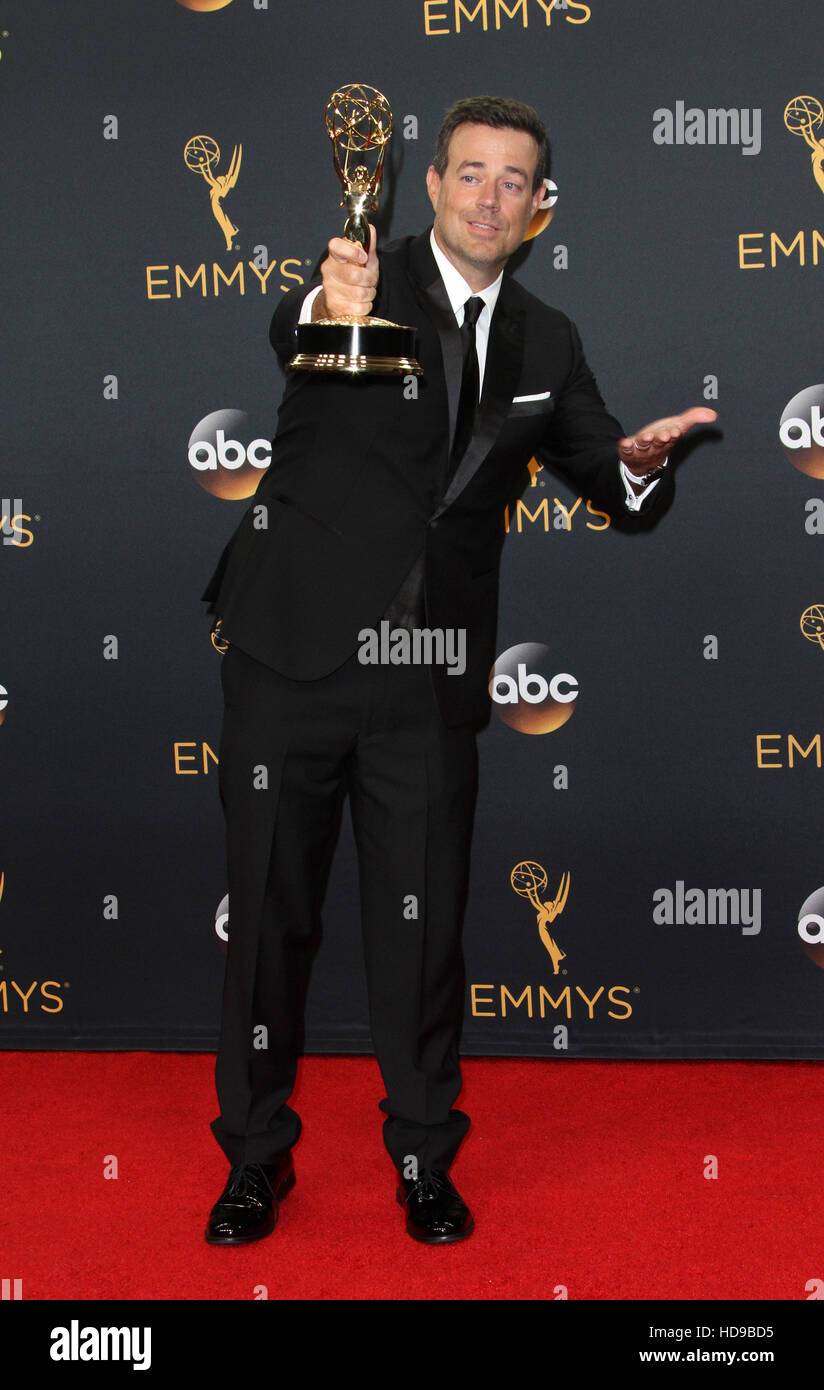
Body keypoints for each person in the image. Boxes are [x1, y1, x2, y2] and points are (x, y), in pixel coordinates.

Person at [201, 95, 717, 1247]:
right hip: (292, 658)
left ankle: (423, 1157)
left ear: (540, 209)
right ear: (426, 184)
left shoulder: (546, 338)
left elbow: (603, 468)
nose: (487, 195)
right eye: (468, 172)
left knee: (420, 930)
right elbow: (297, 329)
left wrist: (639, 464)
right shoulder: (360, 278)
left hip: (427, 673)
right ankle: (252, 1161)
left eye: (511, 179)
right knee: (269, 922)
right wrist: (318, 302)